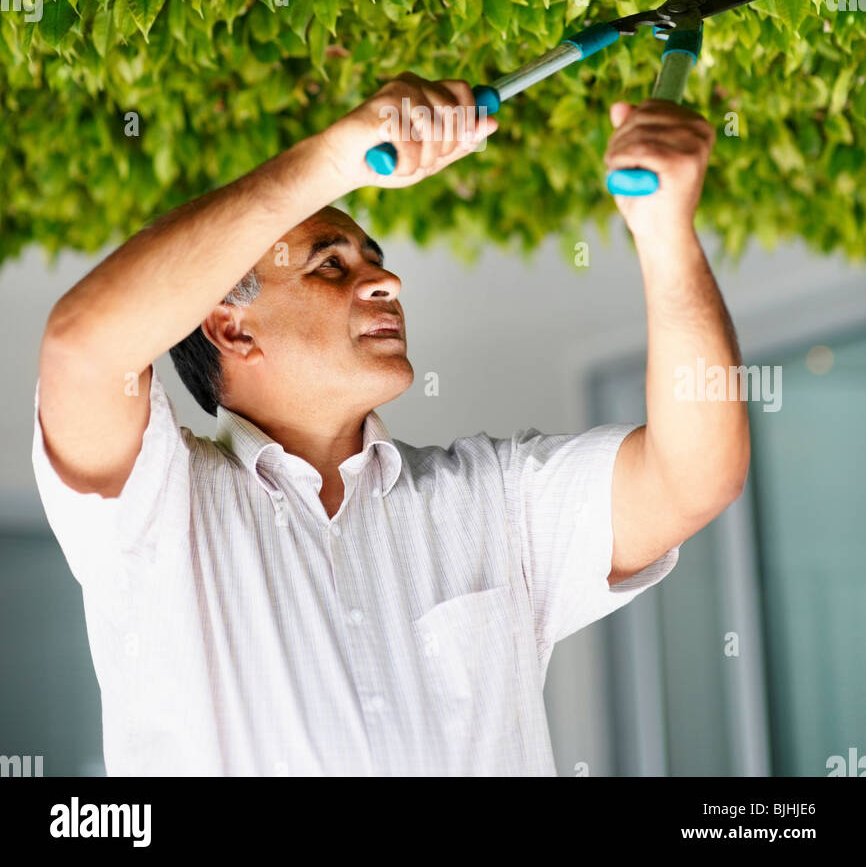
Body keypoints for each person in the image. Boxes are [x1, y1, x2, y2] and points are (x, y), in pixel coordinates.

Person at [33, 73, 748, 776]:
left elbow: (690, 477)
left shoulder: (493, 500)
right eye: (329, 265)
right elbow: (82, 349)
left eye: (373, 261)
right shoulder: (157, 514)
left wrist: (666, 236)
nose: (386, 283)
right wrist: (332, 157)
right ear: (231, 328)